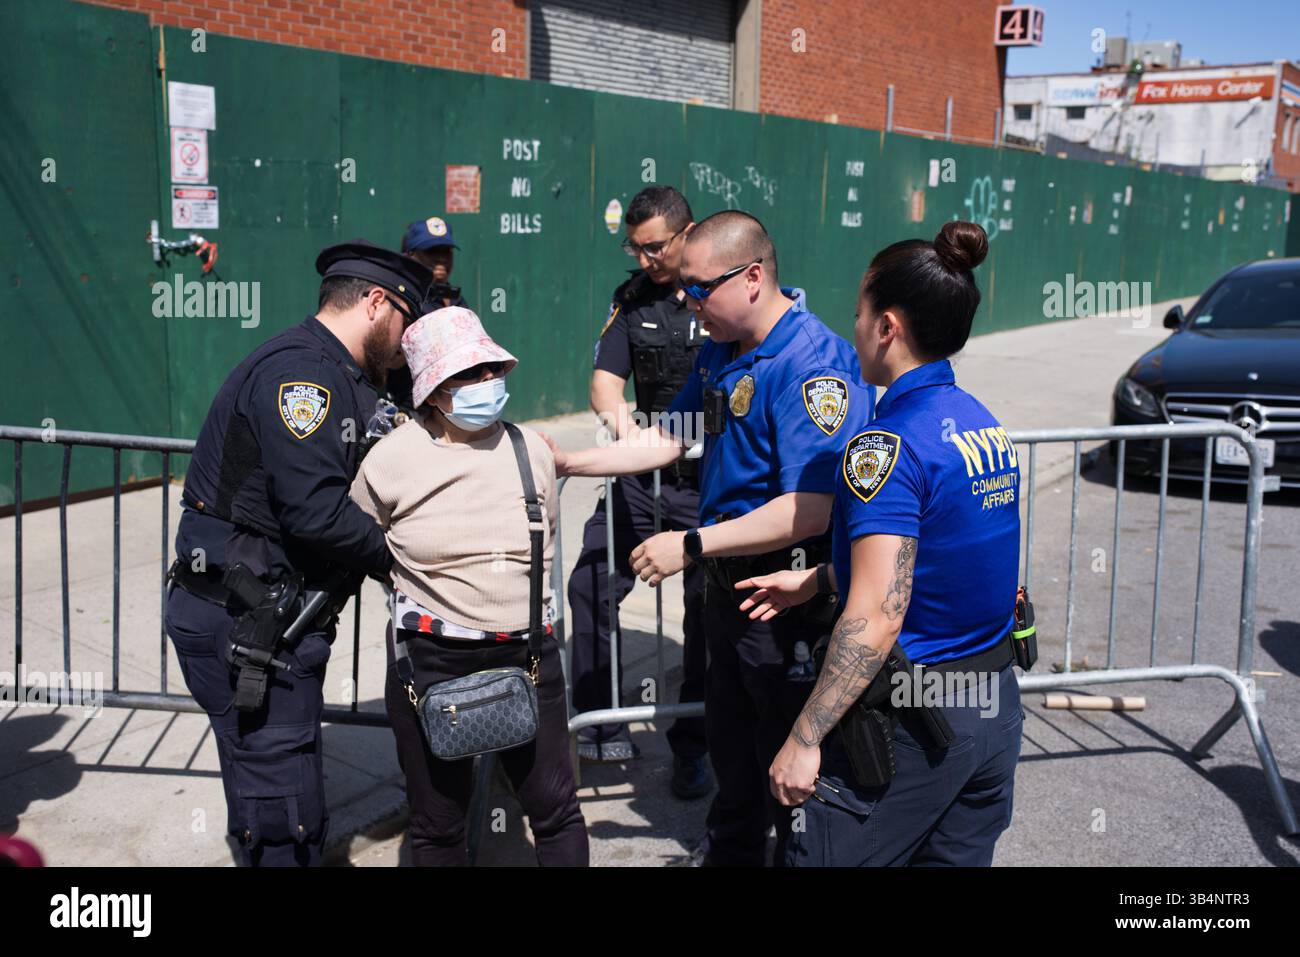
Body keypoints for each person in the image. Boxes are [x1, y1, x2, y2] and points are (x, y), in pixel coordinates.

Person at [548, 210, 874, 866]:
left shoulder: (813, 364)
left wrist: (693, 544)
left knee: (785, 756)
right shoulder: (722, 351)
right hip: (728, 588)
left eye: (700, 289)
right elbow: (666, 437)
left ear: (752, 277)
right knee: (732, 745)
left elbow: (814, 506)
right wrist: (568, 460)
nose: (690, 304)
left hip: (784, 594)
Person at [746, 221, 1026, 866]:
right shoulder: (981, 423)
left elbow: (877, 616)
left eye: (858, 313)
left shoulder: (884, 447)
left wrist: (805, 737)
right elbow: (942, 559)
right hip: (991, 710)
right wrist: (819, 580)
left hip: (915, 726)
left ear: (888, 326)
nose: (854, 329)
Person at [164, 240, 432, 867]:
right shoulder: (303, 377)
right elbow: (315, 513)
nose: (406, 340)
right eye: (405, 321)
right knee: (283, 817)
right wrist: (407, 562)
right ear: (375, 303)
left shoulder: (346, 374)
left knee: (278, 791)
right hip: (246, 626)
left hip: (264, 621)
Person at [351, 307, 588, 866]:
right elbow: (358, 536)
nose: (486, 383)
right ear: (432, 392)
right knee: (437, 826)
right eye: (467, 374)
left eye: (491, 369)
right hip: (430, 663)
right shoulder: (390, 460)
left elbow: (543, 534)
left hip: (527, 655)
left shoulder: (530, 448)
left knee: (556, 812)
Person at [567, 185, 711, 797]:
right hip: (644, 480)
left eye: (655, 246)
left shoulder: (719, 293)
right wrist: (628, 434)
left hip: (710, 486)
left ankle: (693, 747)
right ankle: (599, 726)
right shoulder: (630, 300)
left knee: (709, 616)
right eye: (636, 247)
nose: (646, 257)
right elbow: (605, 384)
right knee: (589, 584)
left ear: (687, 234)